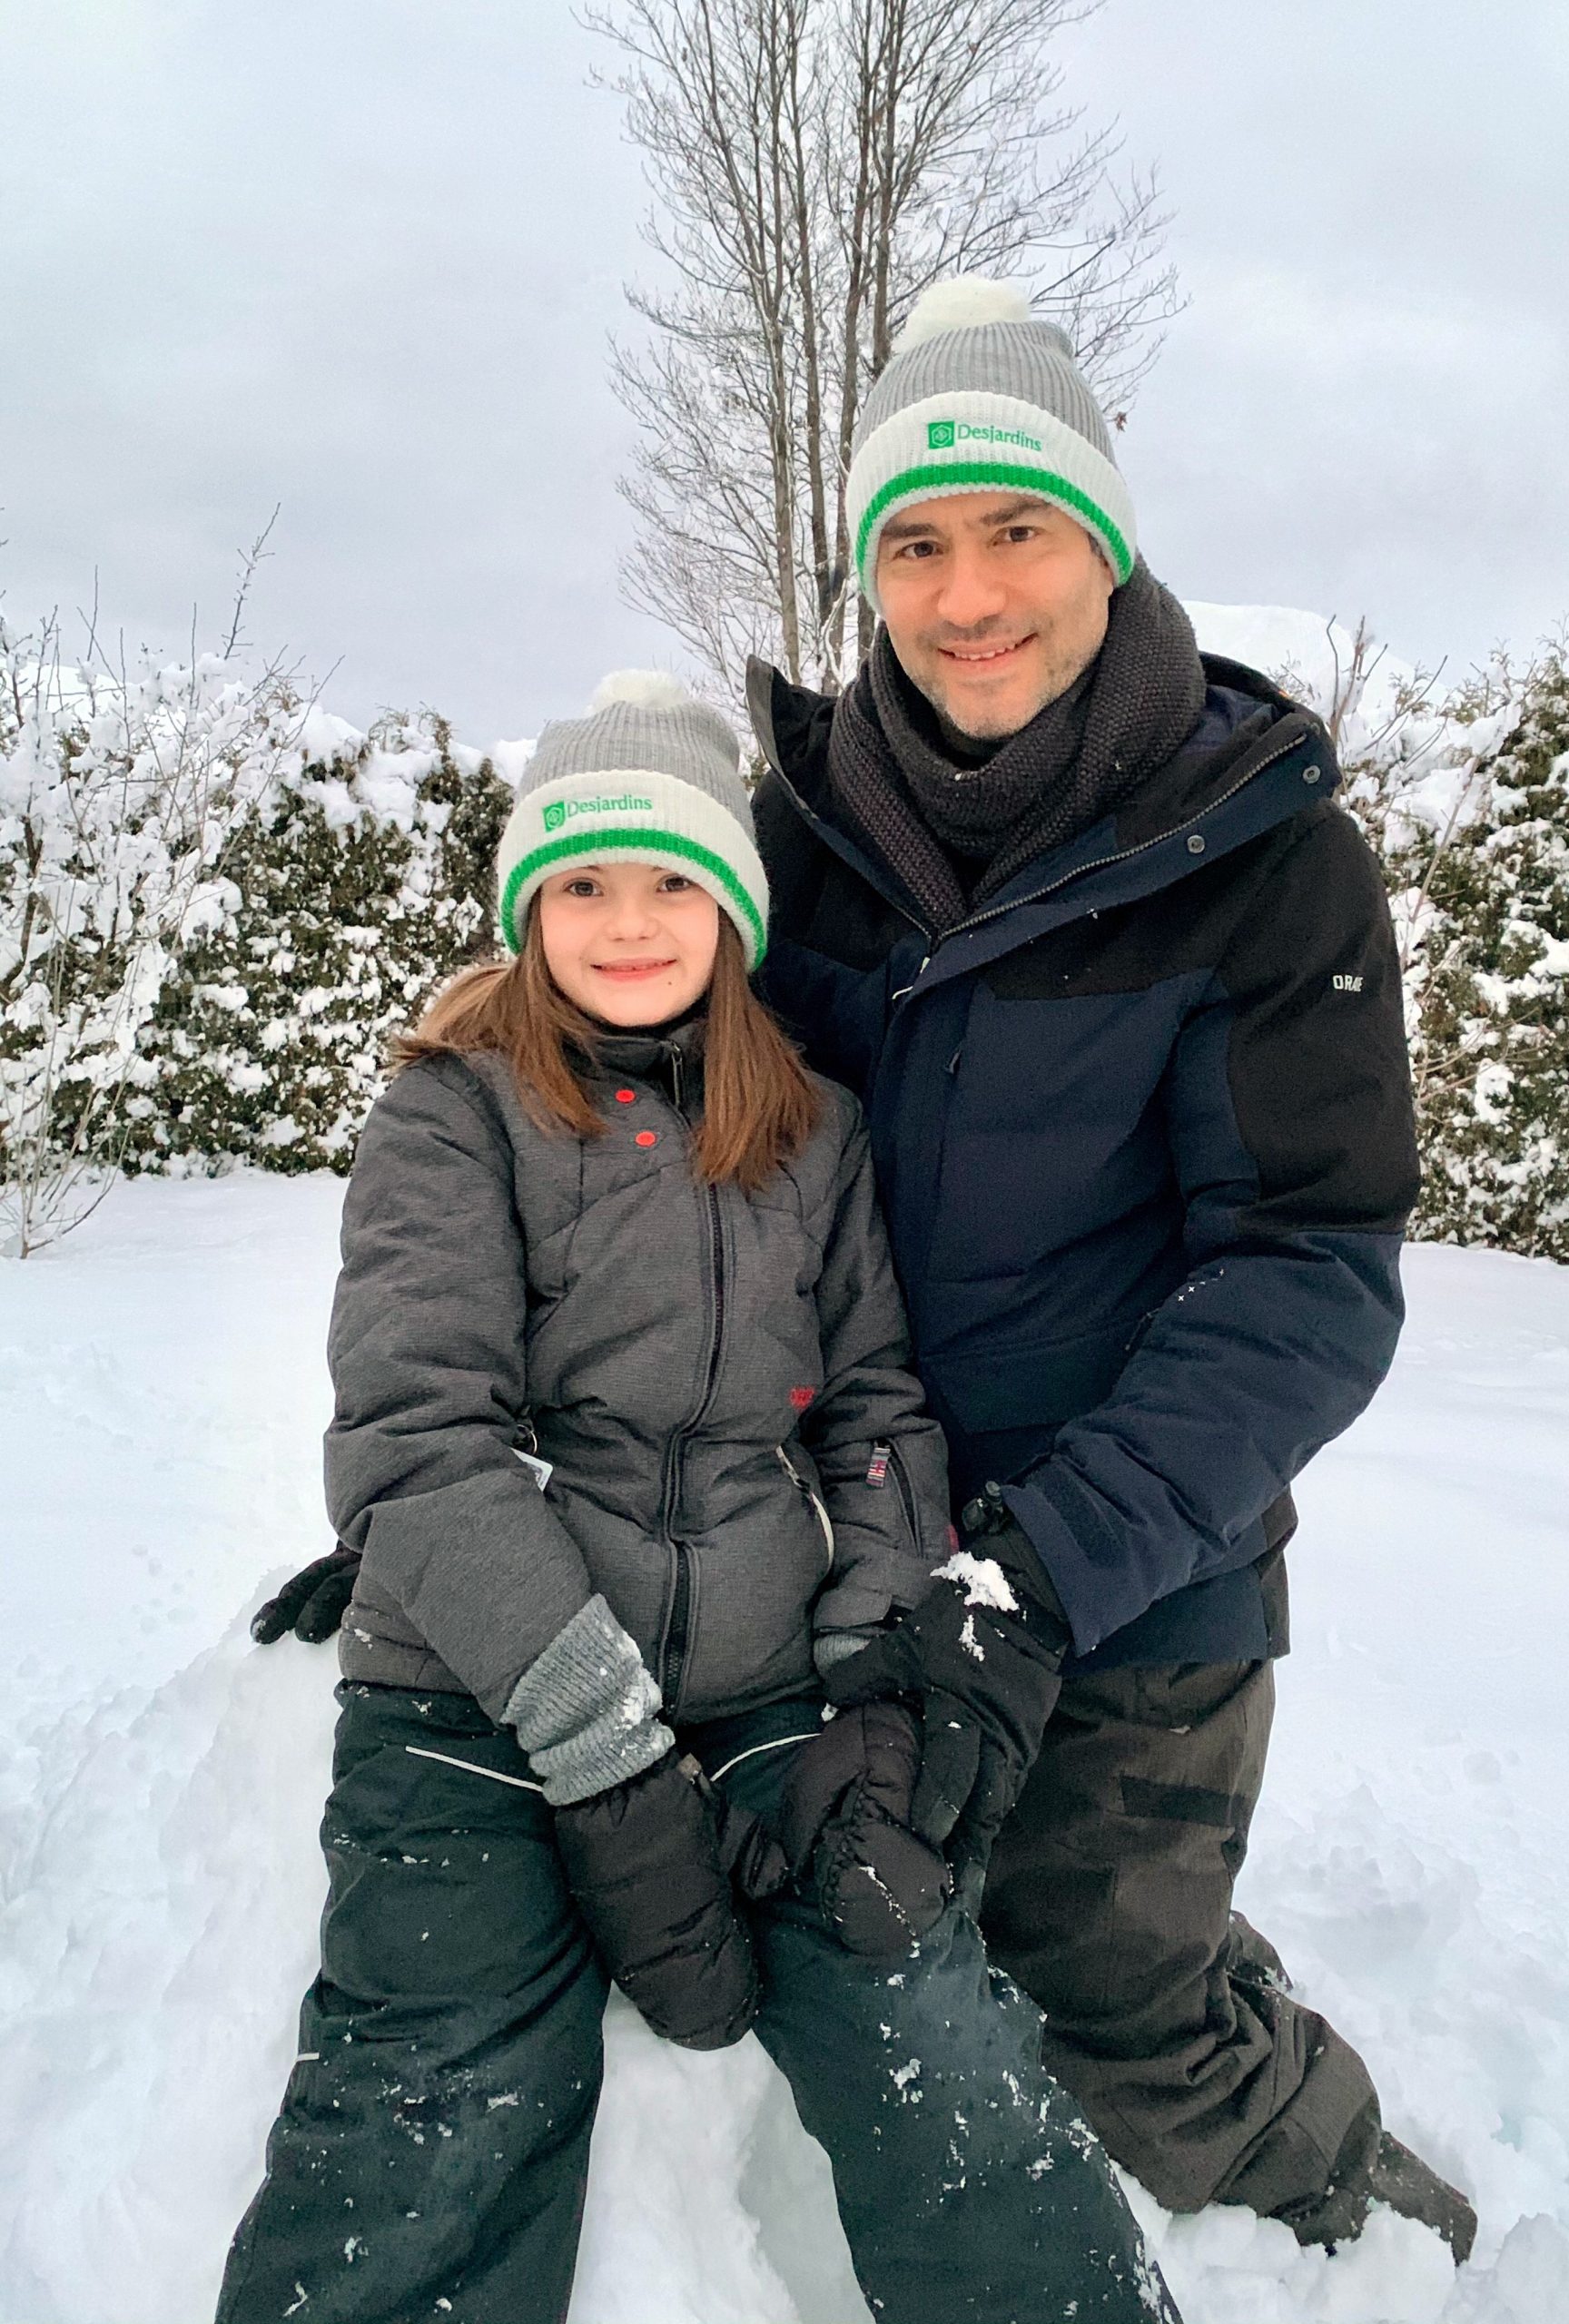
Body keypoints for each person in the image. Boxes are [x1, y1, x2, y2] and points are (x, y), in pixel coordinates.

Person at [222, 674, 1174, 2324]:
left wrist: (872, 1681)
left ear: (732, 909)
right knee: (427, 2091)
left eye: (671, 879)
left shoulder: (812, 1134)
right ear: (528, 907)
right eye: (582, 882)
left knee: (931, 2030)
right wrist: (595, 1747)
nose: (628, 920)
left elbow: (875, 1418)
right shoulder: (453, 1111)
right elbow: (412, 1431)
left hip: (760, 1693)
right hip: (473, 1698)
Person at [741, 278, 1478, 2261]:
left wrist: (1044, 1571)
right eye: (915, 541)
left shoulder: (1265, 856)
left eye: (1019, 530)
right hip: (847, 1538)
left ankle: (1372, 2222)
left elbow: (1314, 1268)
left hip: (1136, 1569)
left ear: (1107, 541)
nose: (968, 592)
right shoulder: (792, 845)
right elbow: (657, 1154)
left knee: (1106, 2006)